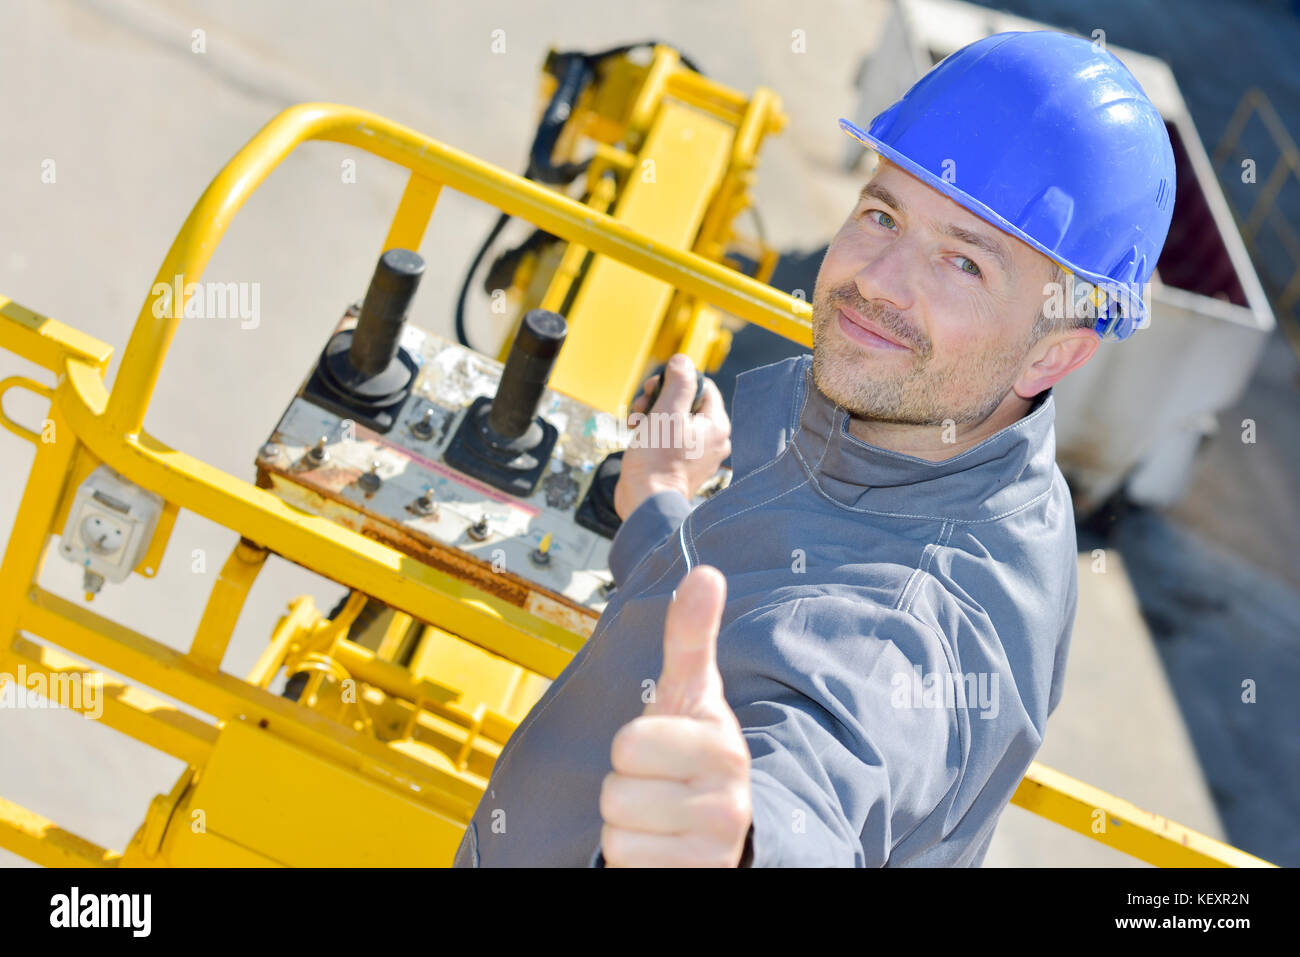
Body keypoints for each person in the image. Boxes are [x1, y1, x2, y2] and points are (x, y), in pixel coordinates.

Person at [452, 29, 1176, 867]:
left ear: (1056, 351)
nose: (879, 280)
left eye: (964, 264)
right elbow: (747, 635)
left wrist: (736, 841)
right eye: (882, 214)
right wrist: (658, 512)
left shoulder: (905, 629)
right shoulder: (984, 467)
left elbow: (827, 759)